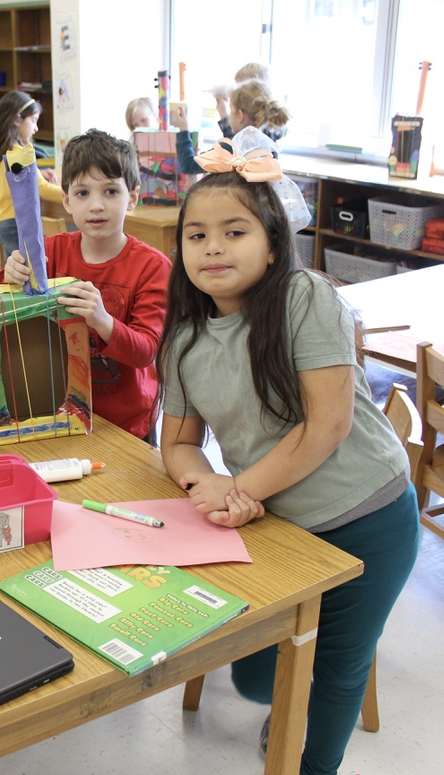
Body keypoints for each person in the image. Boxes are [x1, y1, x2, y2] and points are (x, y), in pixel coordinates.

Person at [155, 132, 418, 775]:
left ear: (273, 243)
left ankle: (314, 764)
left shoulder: (307, 298)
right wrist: (204, 486)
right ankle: (289, 710)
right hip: (277, 525)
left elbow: (325, 427)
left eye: (235, 231)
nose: (213, 246)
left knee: (336, 668)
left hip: (369, 518)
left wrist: (239, 487)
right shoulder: (185, 336)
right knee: (253, 673)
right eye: (196, 235)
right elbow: (178, 443)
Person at [0, 128, 171, 441]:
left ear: (132, 197)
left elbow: (146, 351)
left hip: (125, 423)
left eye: (111, 192)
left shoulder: (153, 267)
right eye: (82, 193)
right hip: (55, 412)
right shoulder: (48, 251)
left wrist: (103, 321)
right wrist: (11, 275)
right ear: (66, 201)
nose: (96, 205)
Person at [0, 90, 65, 263]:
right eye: (34, 120)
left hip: (1, 220)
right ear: (16, 119)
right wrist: (72, 195)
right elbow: (43, 189)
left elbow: (8, 178)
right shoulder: (20, 154)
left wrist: (37, 173)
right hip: (16, 223)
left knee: (14, 273)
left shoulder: (0, 149)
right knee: (26, 275)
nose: (36, 128)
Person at [173, 79, 291, 174]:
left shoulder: (230, 148)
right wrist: (224, 116)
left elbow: (189, 165)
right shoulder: (268, 144)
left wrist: (183, 130)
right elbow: (237, 140)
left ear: (240, 115)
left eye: (231, 110)